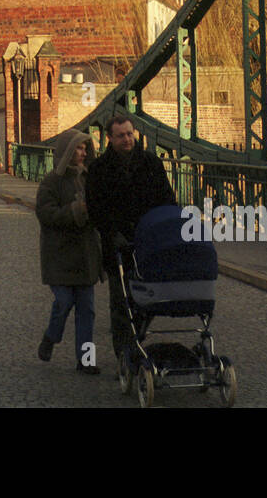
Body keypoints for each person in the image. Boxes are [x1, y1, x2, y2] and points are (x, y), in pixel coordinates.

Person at [85, 113, 177, 360]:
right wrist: (111, 233)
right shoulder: (98, 170)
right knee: (120, 302)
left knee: (145, 300)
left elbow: (167, 200)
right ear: (109, 139)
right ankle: (124, 356)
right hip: (117, 247)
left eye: (129, 134)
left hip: (148, 243)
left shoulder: (151, 164)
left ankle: (139, 344)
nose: (127, 139)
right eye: (121, 135)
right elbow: (95, 209)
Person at [35, 129, 102, 374]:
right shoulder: (52, 181)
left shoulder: (90, 177)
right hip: (59, 254)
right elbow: (45, 214)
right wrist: (75, 210)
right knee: (63, 302)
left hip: (85, 254)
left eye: (85, 149)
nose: (83, 153)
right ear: (66, 151)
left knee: (87, 310)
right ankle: (51, 337)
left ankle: (85, 360)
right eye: (78, 148)